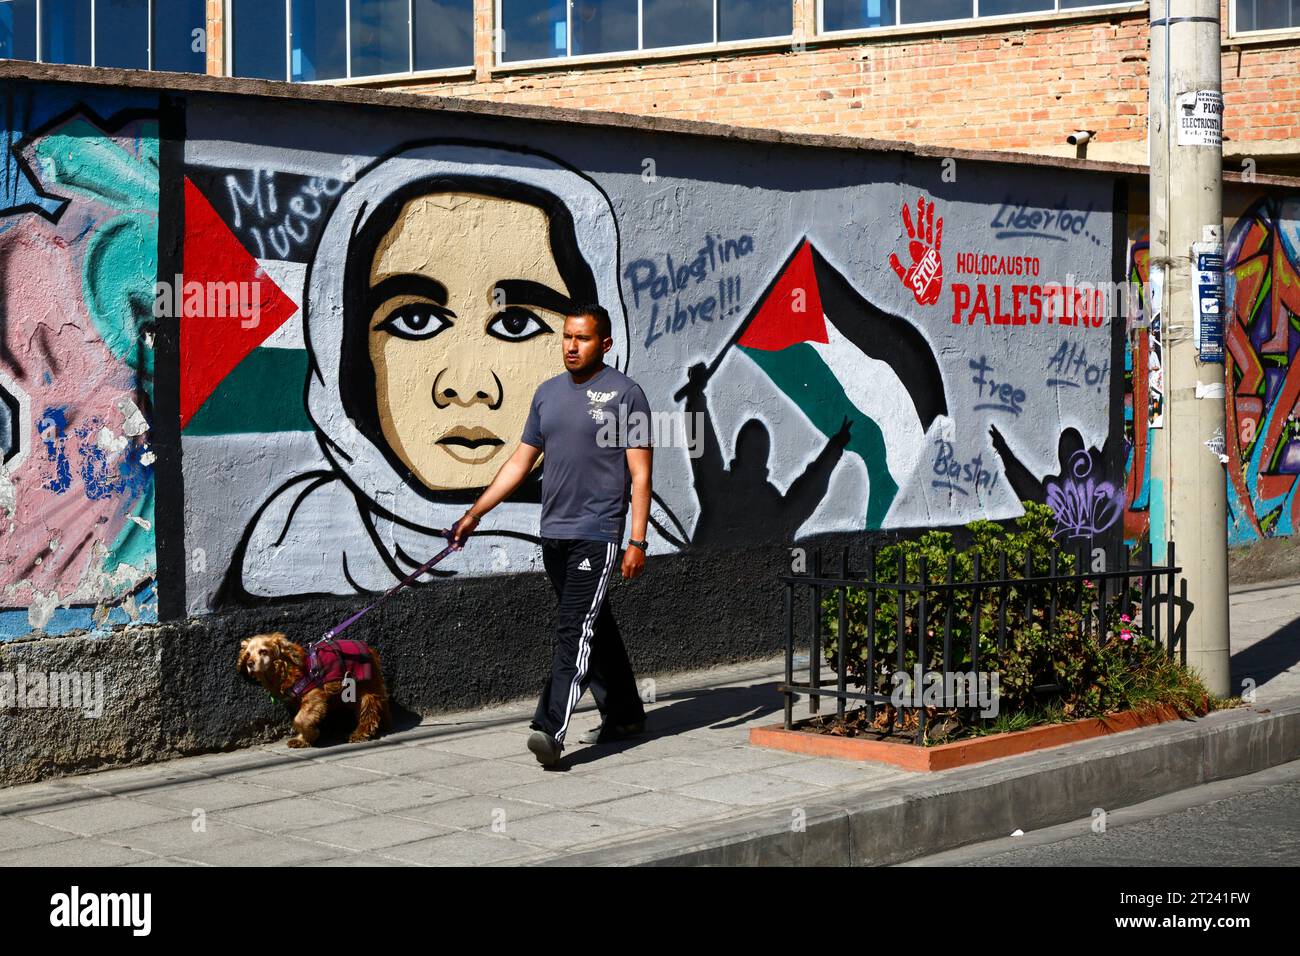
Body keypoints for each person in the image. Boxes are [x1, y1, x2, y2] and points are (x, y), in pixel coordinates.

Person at [218, 142, 638, 602]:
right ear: (348, 350)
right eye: (416, 321)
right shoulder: (289, 542)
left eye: (516, 325)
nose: (468, 388)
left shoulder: (622, 526)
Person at [451, 304, 651, 767]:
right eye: (566, 337)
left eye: (581, 339)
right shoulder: (547, 395)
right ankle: (625, 714)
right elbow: (520, 462)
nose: (571, 346)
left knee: (572, 629)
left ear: (605, 344)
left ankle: (550, 728)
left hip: (597, 533)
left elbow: (641, 475)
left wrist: (636, 541)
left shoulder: (627, 395)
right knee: (590, 624)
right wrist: (476, 512)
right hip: (554, 534)